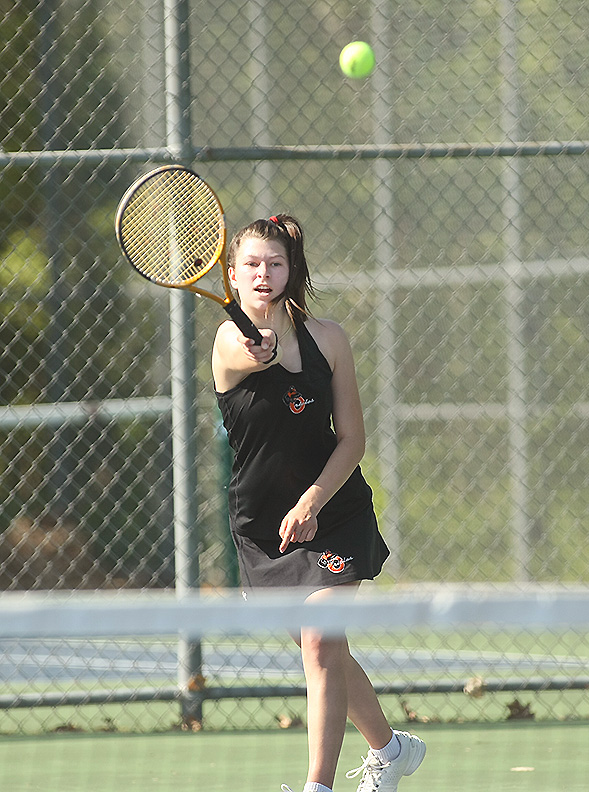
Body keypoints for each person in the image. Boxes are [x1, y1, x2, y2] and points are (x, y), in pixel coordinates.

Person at [212, 214, 426, 792]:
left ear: (291, 270)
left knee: (321, 637)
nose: (263, 273)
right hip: (264, 526)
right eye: (251, 264)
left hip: (333, 510)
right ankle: (391, 750)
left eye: (275, 263)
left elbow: (352, 439)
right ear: (230, 275)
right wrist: (263, 346)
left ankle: (318, 786)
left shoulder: (329, 340)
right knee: (323, 652)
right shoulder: (229, 342)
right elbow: (252, 351)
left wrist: (312, 501)